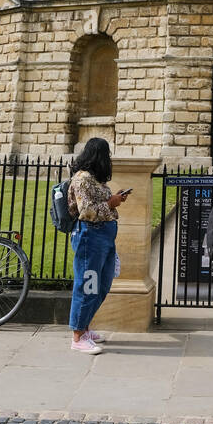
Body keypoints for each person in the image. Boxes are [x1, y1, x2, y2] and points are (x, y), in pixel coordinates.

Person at [67, 136, 130, 355]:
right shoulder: (83, 178)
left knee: (102, 285)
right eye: (106, 154)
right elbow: (86, 211)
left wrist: (114, 199)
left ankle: (84, 327)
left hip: (103, 237)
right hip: (90, 238)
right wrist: (111, 203)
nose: (109, 158)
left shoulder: (94, 179)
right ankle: (77, 336)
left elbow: (98, 205)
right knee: (88, 285)